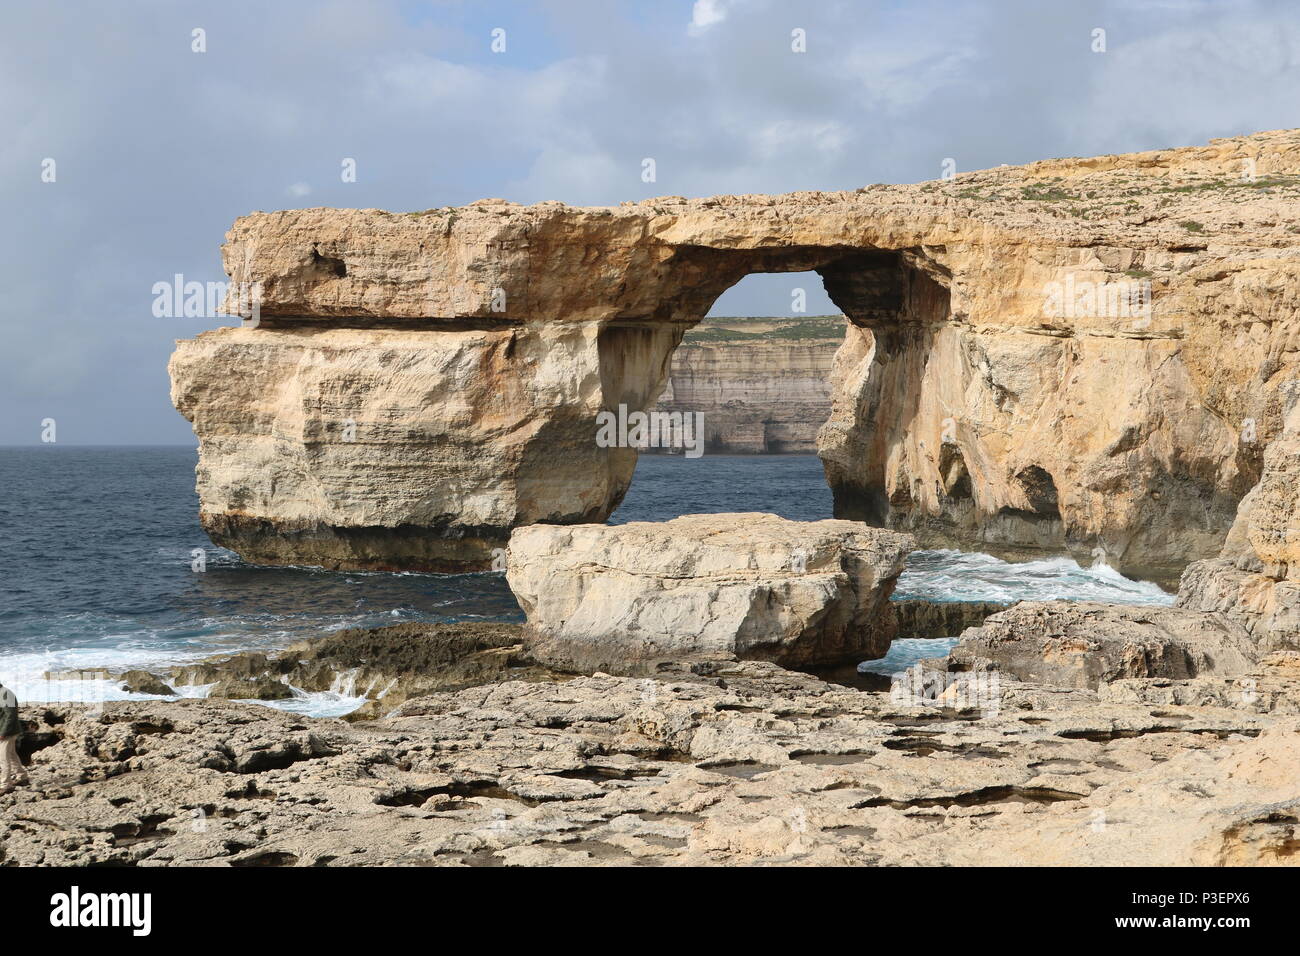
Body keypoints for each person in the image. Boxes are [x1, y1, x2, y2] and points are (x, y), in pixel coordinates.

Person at [0, 679, 27, 793]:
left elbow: (11, 716)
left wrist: (3, 733)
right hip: (6, 731)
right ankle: (22, 776)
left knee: (3, 757)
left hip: (7, 732)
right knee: (11, 755)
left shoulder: (5, 694)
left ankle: (6, 784)